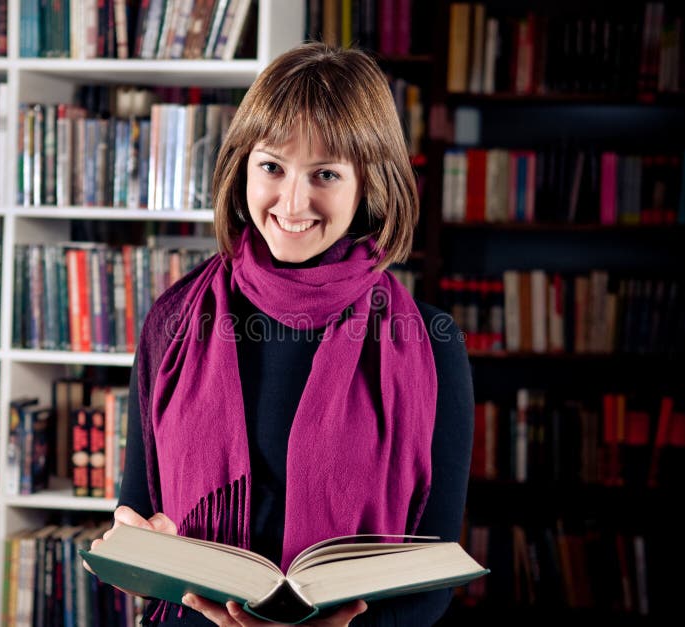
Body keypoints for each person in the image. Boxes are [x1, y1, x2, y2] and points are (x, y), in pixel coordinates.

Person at [94, 42, 474, 626]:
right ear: (243, 166)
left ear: (368, 184)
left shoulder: (431, 342)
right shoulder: (172, 322)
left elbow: (432, 581)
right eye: (272, 166)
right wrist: (138, 541)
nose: (292, 202)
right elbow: (139, 511)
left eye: (325, 174)